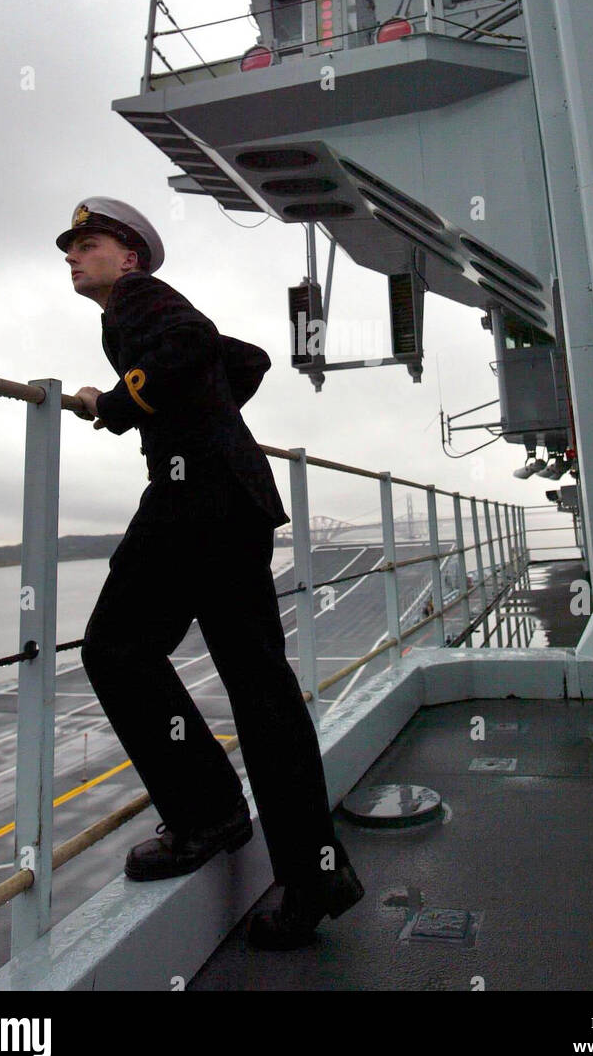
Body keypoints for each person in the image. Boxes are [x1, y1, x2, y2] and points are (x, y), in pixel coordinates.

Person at [57, 196, 364, 949]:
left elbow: (190, 342)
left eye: (85, 244)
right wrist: (200, 411)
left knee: (116, 649)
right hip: (236, 498)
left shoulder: (137, 299)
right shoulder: (143, 304)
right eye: (68, 248)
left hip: (193, 498)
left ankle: (207, 813)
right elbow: (246, 360)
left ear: (127, 257)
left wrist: (115, 405)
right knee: (261, 691)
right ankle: (315, 873)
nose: (71, 256)